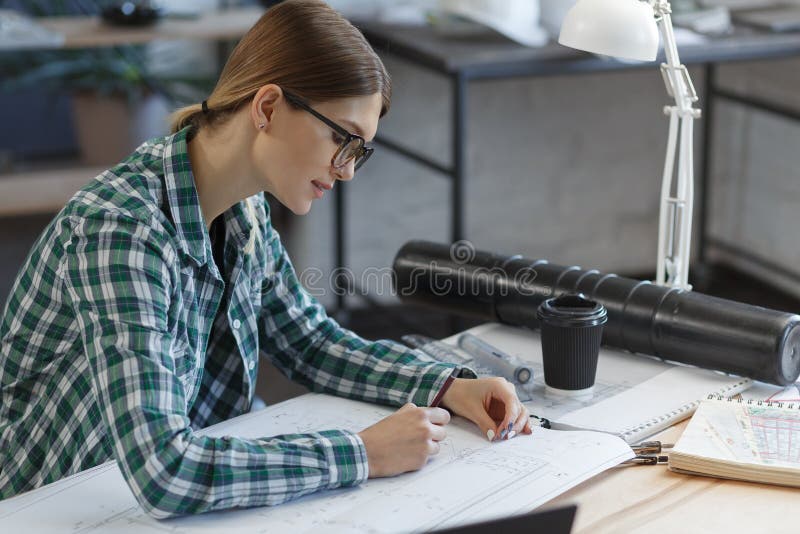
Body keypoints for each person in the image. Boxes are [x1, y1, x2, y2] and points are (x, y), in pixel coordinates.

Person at [0, 0, 531, 518]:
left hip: (147, 496)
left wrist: (448, 385)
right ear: (268, 107)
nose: (346, 170)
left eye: (359, 152)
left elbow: (310, 344)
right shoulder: (122, 228)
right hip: (51, 504)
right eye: (343, 140)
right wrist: (362, 453)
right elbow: (165, 472)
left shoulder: (245, 212)